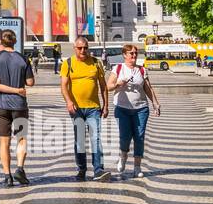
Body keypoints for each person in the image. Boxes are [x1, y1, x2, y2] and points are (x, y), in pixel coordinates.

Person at [108, 43, 161, 179]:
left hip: (141, 108)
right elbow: (108, 86)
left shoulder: (142, 70)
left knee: (139, 136)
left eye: (136, 53)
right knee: (125, 136)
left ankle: (137, 167)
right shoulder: (118, 68)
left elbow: (148, 88)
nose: (134, 55)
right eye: (131, 53)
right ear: (124, 55)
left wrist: (155, 103)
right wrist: (118, 84)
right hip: (122, 108)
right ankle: (123, 156)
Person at [0, 29, 34, 187]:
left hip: (1, 105)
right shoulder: (23, 59)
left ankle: (7, 175)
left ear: (1, 41)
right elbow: (30, 83)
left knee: (4, 141)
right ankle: (20, 168)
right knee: (21, 138)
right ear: (15, 41)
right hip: (20, 104)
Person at [61, 37, 110, 181]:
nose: (83, 51)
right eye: (80, 48)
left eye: (85, 48)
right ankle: (81, 169)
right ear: (74, 48)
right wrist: (69, 102)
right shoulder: (68, 63)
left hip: (93, 108)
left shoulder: (96, 62)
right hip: (76, 109)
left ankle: (98, 170)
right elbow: (63, 85)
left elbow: (103, 86)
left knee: (96, 138)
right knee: (80, 140)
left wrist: (106, 105)